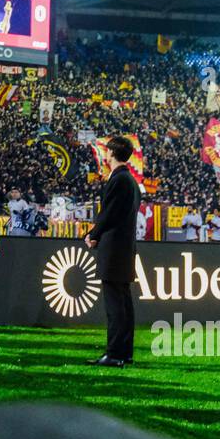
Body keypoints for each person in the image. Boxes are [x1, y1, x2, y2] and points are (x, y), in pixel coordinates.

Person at [83, 136, 140, 367]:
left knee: (115, 305)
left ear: (112, 154)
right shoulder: (131, 181)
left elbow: (109, 213)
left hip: (114, 249)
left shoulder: (119, 180)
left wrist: (93, 235)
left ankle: (114, 354)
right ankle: (124, 351)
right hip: (124, 249)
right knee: (124, 303)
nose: (105, 155)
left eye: (107, 152)